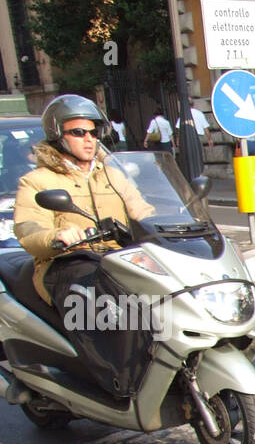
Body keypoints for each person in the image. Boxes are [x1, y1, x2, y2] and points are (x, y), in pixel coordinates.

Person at [13, 94, 155, 398]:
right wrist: (56, 237)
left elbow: (141, 210)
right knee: (99, 298)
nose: (89, 139)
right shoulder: (37, 180)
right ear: (58, 134)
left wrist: (165, 228)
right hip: (65, 262)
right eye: (78, 132)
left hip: (116, 255)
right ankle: (118, 381)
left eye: (93, 132)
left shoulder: (112, 174)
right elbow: (28, 228)